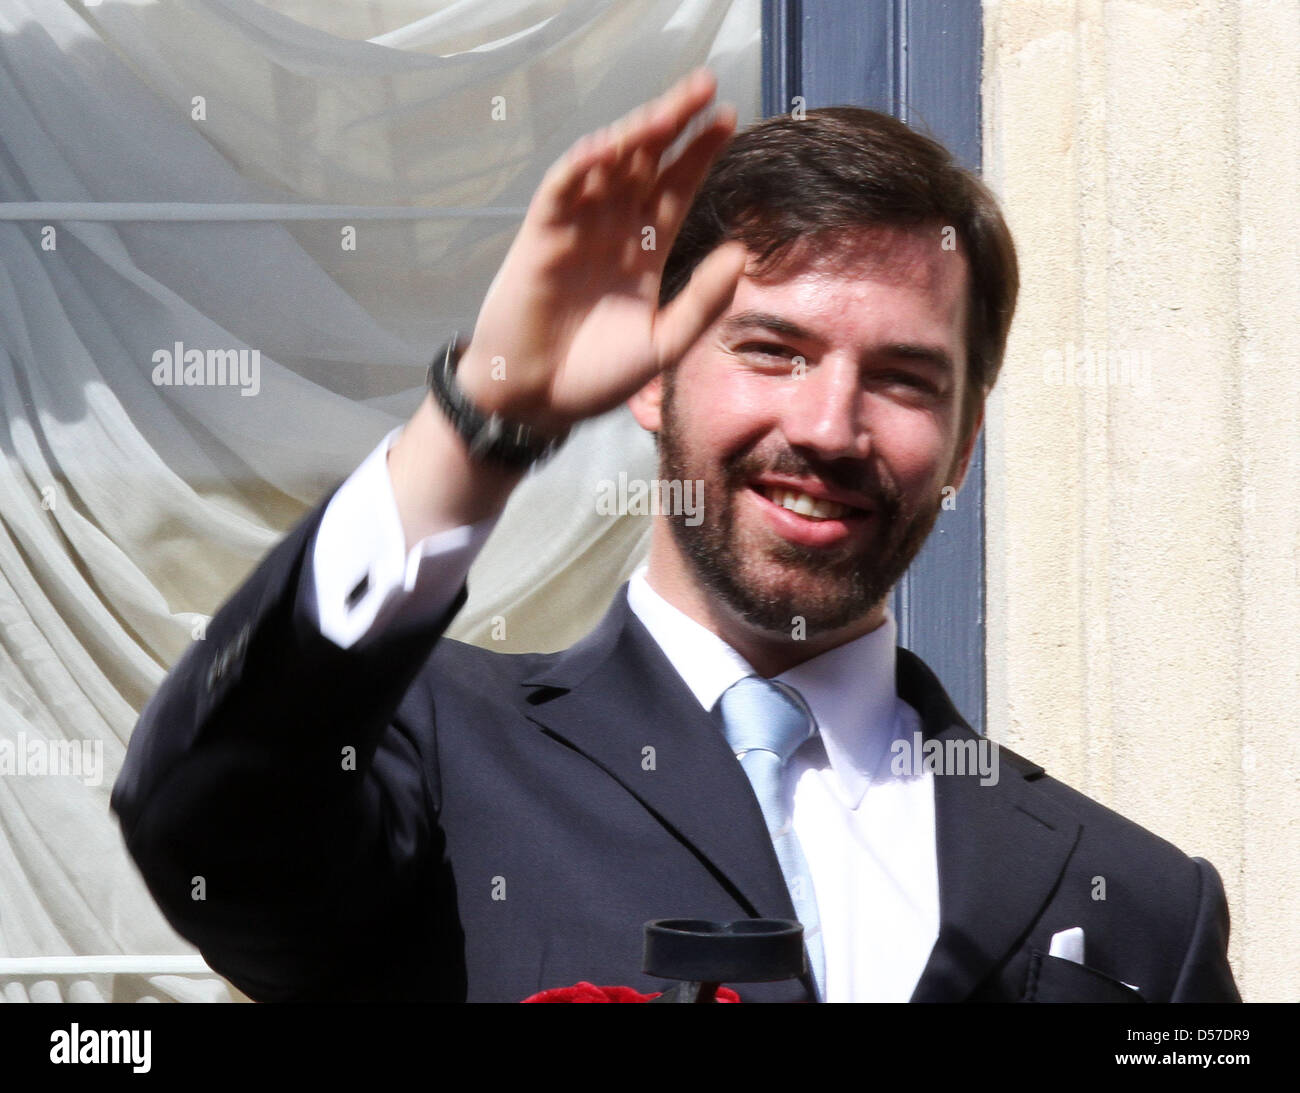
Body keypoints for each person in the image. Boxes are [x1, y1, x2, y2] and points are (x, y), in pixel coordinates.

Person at [111, 69, 1240, 1003]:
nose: (827, 425)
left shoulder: (1137, 903)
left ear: (962, 441)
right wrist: (484, 420)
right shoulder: (433, 760)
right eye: (770, 349)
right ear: (654, 373)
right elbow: (204, 817)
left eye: (901, 377)